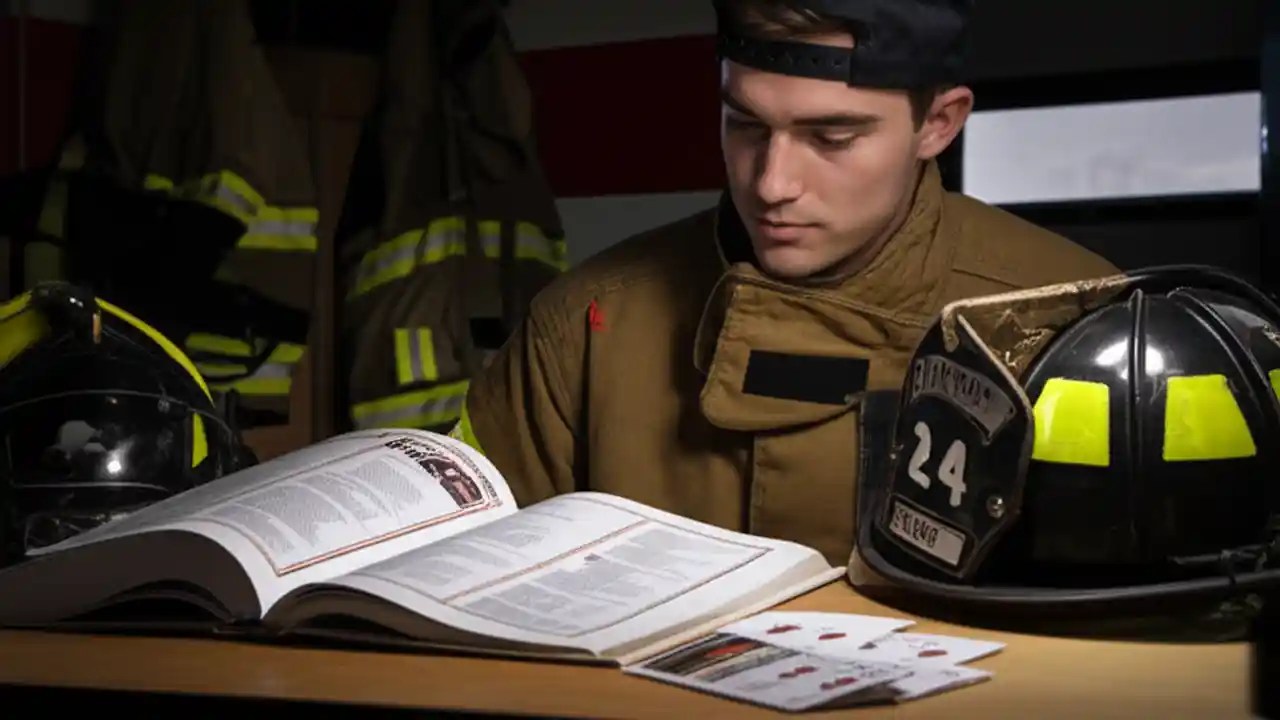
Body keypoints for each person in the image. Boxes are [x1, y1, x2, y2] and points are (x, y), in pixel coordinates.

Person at [448, 0, 1118, 566]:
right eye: (745, 125)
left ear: (937, 125)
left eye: (831, 138)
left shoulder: (1086, 326)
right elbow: (449, 573)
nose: (772, 184)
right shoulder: (583, 326)